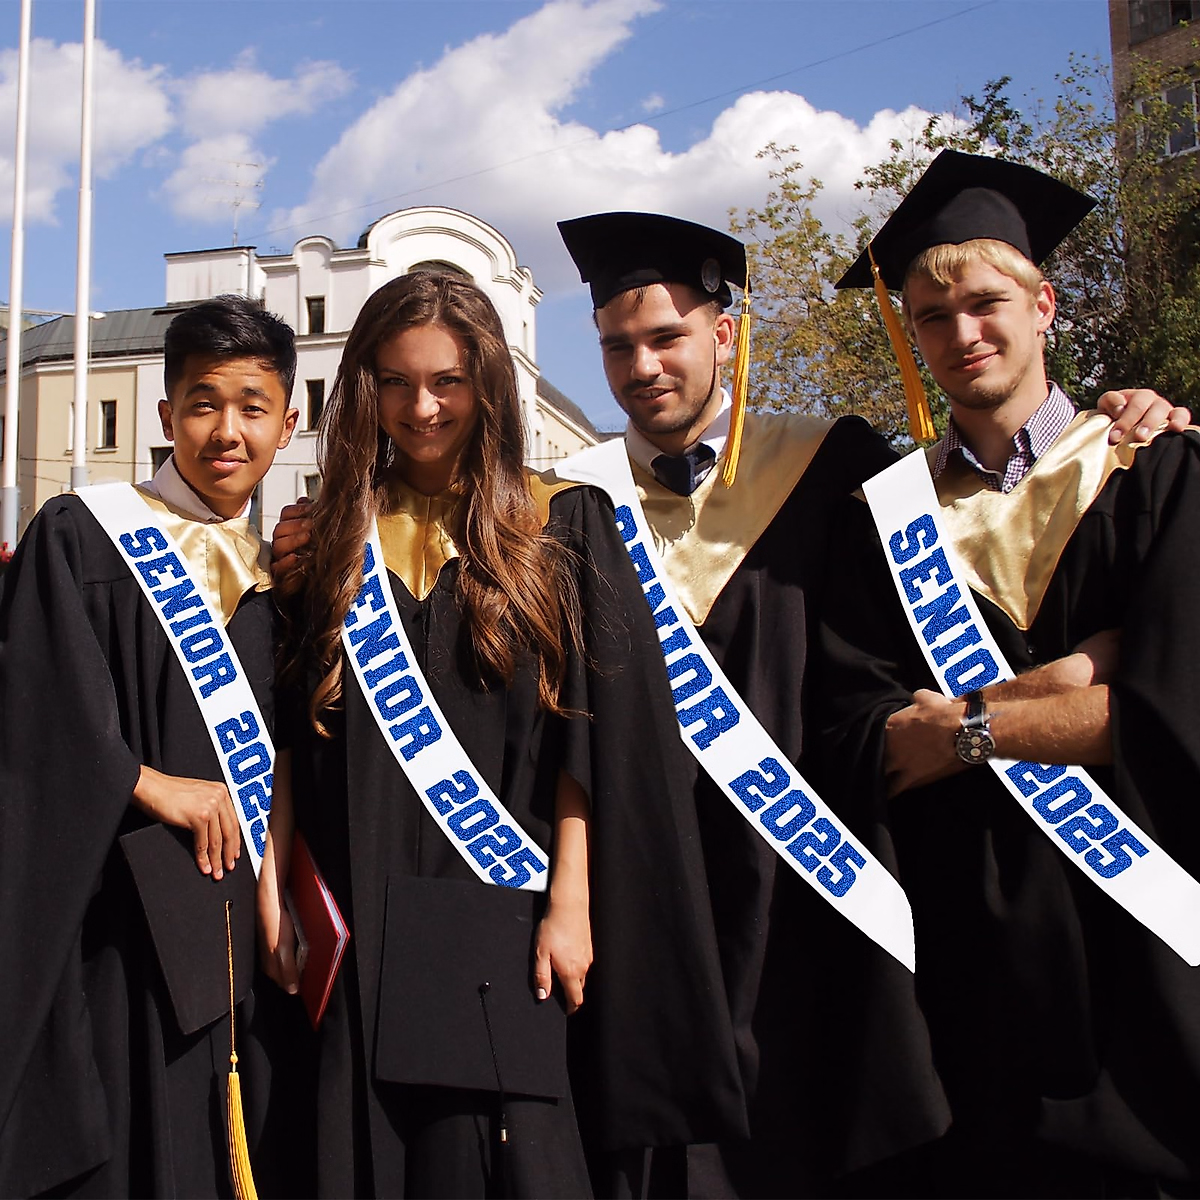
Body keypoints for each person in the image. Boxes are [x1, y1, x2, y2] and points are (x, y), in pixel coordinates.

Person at [271, 219, 1186, 1200]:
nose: (642, 366)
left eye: (667, 337)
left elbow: (941, 577)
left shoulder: (834, 468)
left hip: (797, 874)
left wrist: (1134, 413)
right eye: (618, 346)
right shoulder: (564, 507)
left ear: (725, 335)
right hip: (640, 880)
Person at [259, 269, 743, 1198]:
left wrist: (572, 899)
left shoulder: (560, 521)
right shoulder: (328, 539)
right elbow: (293, 733)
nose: (422, 407)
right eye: (395, 382)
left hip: (509, 910)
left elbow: (590, 740)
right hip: (366, 911)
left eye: (447, 381)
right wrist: (282, 885)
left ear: (487, 384)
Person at [820, 149, 1200, 1195]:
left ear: (1045, 304)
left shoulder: (1154, 472)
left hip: (1139, 958)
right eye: (931, 317)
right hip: (959, 983)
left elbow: (1176, 712)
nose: (962, 335)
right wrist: (1076, 675)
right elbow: (865, 742)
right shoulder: (879, 523)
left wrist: (965, 728)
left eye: (985, 304)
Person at [0, 296, 299, 1196]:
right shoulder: (82, 534)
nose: (227, 430)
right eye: (203, 404)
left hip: (237, 910)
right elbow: (29, 706)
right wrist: (143, 781)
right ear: (166, 417)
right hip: (119, 910)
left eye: (253, 407)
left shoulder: (282, 580)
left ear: (287, 424)